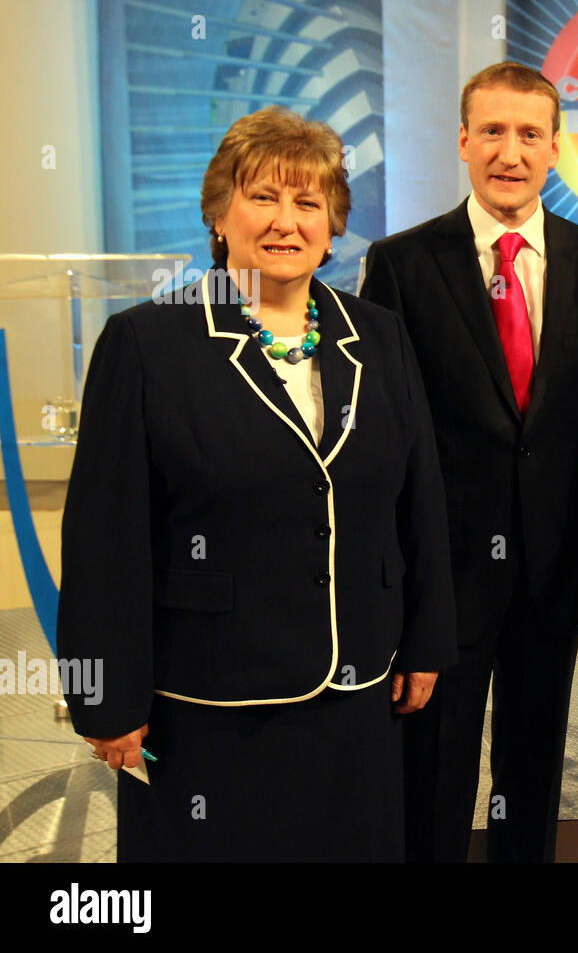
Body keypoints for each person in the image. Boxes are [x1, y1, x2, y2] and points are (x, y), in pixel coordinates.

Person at [57, 106, 456, 862]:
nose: (286, 221)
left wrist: (427, 637)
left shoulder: (377, 334)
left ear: (333, 226)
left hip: (356, 684)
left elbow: (418, 498)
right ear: (218, 213)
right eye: (263, 197)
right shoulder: (147, 341)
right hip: (212, 698)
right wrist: (106, 697)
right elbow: (106, 537)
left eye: (308, 202)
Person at [360, 62, 578, 863]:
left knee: (533, 761)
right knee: (434, 770)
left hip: (553, 568)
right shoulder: (403, 264)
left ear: (556, 148)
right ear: (462, 141)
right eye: (492, 131)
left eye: (528, 134)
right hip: (439, 575)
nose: (509, 152)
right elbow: (384, 440)